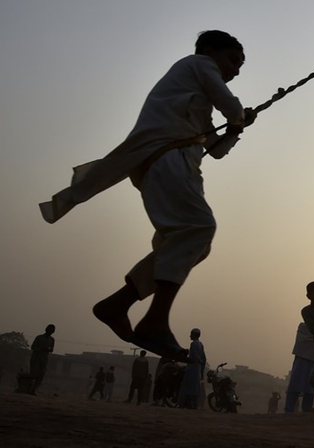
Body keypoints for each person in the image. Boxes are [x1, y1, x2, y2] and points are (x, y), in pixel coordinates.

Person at [40, 30, 257, 361]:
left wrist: (236, 131)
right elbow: (230, 104)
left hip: (177, 163)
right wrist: (238, 115)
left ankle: (118, 304)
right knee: (197, 229)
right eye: (233, 61)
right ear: (210, 51)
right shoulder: (198, 64)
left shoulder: (193, 97)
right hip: (166, 160)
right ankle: (154, 323)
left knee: (195, 245)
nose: (236, 70)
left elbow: (214, 150)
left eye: (240, 66)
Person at [285, 322, 314, 413]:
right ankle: (289, 410)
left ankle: (305, 410)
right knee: (296, 385)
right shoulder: (304, 327)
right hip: (303, 358)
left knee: (309, 388)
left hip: (312, 359)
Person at [178, 328, 206, 409]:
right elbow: (203, 358)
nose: (190, 336)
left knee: (188, 385)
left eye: (191, 334)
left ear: (194, 335)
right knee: (195, 387)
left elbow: (195, 356)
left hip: (192, 367)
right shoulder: (200, 344)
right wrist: (201, 368)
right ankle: (194, 404)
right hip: (197, 368)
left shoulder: (193, 344)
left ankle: (184, 403)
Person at [29, 324, 56, 395]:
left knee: (41, 375)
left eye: (51, 331)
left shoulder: (52, 340)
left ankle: (34, 389)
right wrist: (41, 349)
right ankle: (29, 388)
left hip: (44, 359)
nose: (50, 332)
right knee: (33, 374)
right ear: (46, 330)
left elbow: (51, 349)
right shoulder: (39, 337)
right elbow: (33, 347)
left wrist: (48, 349)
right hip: (36, 358)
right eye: (49, 330)